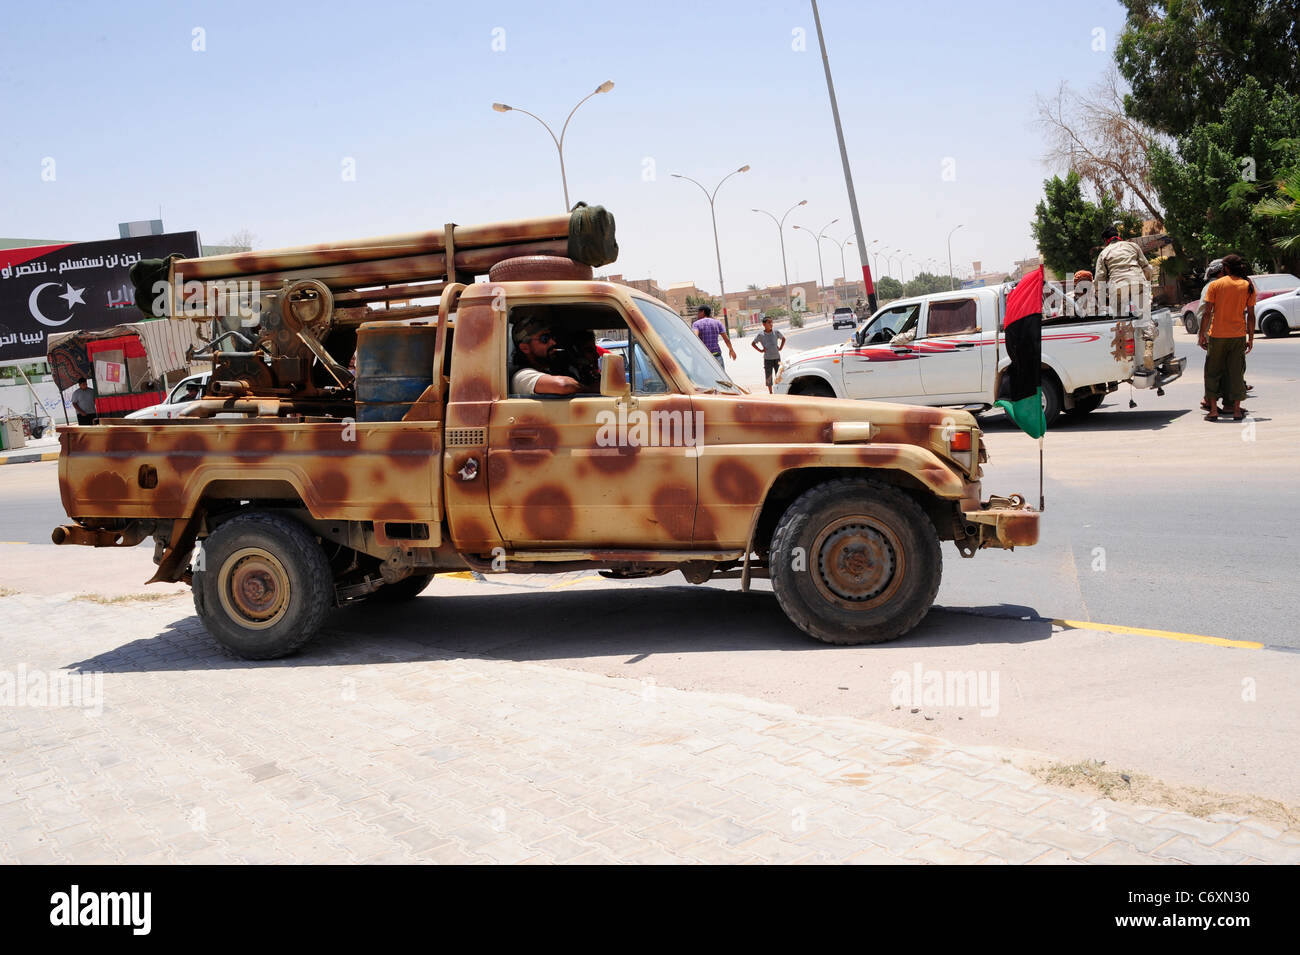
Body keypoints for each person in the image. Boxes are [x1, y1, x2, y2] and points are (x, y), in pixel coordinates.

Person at [1197, 253, 1255, 421]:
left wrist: (1202, 334)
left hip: (1217, 335)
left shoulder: (1215, 285)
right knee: (1236, 372)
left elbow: (1207, 313)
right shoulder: (1247, 286)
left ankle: (1214, 410)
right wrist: (1251, 338)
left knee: (1212, 372)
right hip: (1238, 336)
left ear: (1226, 268)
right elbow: (1250, 316)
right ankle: (1236, 410)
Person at [510, 316, 581, 396]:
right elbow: (563, 385)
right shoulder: (522, 376)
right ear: (525, 348)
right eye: (544, 338)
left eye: (551, 336)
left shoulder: (548, 370)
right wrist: (589, 389)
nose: (553, 342)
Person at [1094, 226, 1153, 318]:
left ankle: (1121, 328)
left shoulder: (1103, 253)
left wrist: (1101, 296)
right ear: (1117, 235)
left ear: (1105, 240)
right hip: (1137, 282)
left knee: (1119, 320)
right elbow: (1147, 268)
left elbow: (1099, 279)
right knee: (1145, 318)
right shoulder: (1133, 246)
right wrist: (1147, 283)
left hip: (1118, 286)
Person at [692, 305, 736, 370]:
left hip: (704, 357)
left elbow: (695, 338)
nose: (697, 314)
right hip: (717, 356)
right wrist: (731, 350)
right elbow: (726, 339)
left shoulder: (696, 324)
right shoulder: (717, 323)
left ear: (703, 312)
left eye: (698, 312)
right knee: (721, 378)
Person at [750, 317, 787, 393]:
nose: (771, 324)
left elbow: (783, 339)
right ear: (764, 324)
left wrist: (780, 348)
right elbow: (753, 343)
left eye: (771, 322)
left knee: (779, 375)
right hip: (767, 359)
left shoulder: (776, 332)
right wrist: (760, 350)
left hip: (777, 358)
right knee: (768, 376)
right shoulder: (761, 335)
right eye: (769, 322)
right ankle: (770, 392)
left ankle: (779, 391)